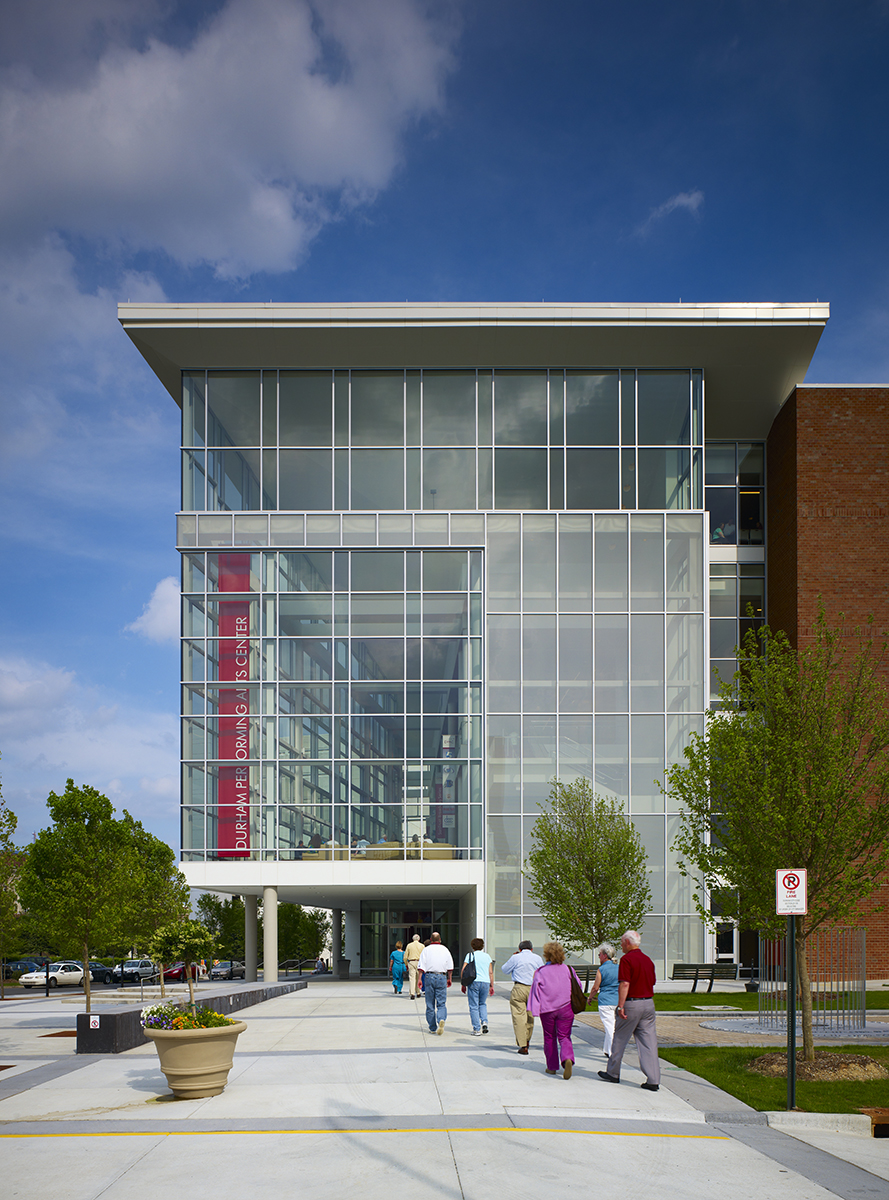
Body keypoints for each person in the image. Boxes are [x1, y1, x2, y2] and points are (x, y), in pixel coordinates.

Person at [598, 930, 660, 1091]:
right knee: (649, 1042)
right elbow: (652, 981)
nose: (620, 945)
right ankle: (653, 1079)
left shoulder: (627, 960)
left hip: (632, 1004)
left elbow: (625, 983)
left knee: (619, 1038)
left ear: (627, 942)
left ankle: (613, 1073)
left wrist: (621, 1005)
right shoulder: (647, 960)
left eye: (621, 942)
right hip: (648, 1004)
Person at [527, 942, 580, 1079]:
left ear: (546, 955)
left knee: (549, 1037)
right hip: (566, 1008)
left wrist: (534, 1009)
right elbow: (578, 985)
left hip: (548, 1010)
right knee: (564, 1036)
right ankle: (567, 1058)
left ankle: (552, 1067)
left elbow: (535, 991)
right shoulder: (569, 969)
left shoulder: (541, 971)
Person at [500, 940, 543, 1054]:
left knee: (519, 1017)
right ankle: (527, 1040)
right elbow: (542, 973)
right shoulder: (537, 958)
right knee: (530, 1017)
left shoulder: (516, 957)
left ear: (519, 949)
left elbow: (504, 970)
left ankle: (522, 1044)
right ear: (532, 949)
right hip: (533, 989)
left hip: (519, 987)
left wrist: (513, 957)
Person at [417, 932, 454, 1034]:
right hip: (441, 976)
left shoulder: (426, 950)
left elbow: (421, 966)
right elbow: (450, 966)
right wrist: (449, 978)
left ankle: (432, 1027)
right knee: (441, 1003)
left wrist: (420, 979)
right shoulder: (445, 949)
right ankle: (441, 1018)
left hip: (429, 976)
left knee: (430, 1004)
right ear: (440, 939)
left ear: (431, 939)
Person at [588, 943, 619, 1057]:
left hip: (605, 1002)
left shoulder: (601, 969)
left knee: (610, 1028)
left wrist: (590, 998)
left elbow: (596, 987)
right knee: (612, 1026)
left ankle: (612, 1052)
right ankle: (607, 1049)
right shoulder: (620, 968)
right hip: (618, 1000)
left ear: (605, 955)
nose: (599, 956)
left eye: (599, 954)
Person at [461, 937, 494, 1035]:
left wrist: (463, 983)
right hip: (485, 982)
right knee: (482, 1004)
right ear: (482, 946)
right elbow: (490, 972)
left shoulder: (470, 955)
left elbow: (463, 969)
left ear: (472, 946)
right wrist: (491, 985)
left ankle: (476, 1029)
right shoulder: (487, 956)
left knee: (473, 1006)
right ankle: (484, 1022)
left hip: (473, 982)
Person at [403, 934, 423, 999]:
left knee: (412, 978)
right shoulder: (422, 946)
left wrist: (406, 964)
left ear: (413, 939)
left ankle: (412, 993)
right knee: (418, 978)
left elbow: (405, 956)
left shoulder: (409, 945)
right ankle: (418, 992)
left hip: (411, 962)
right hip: (419, 962)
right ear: (419, 939)